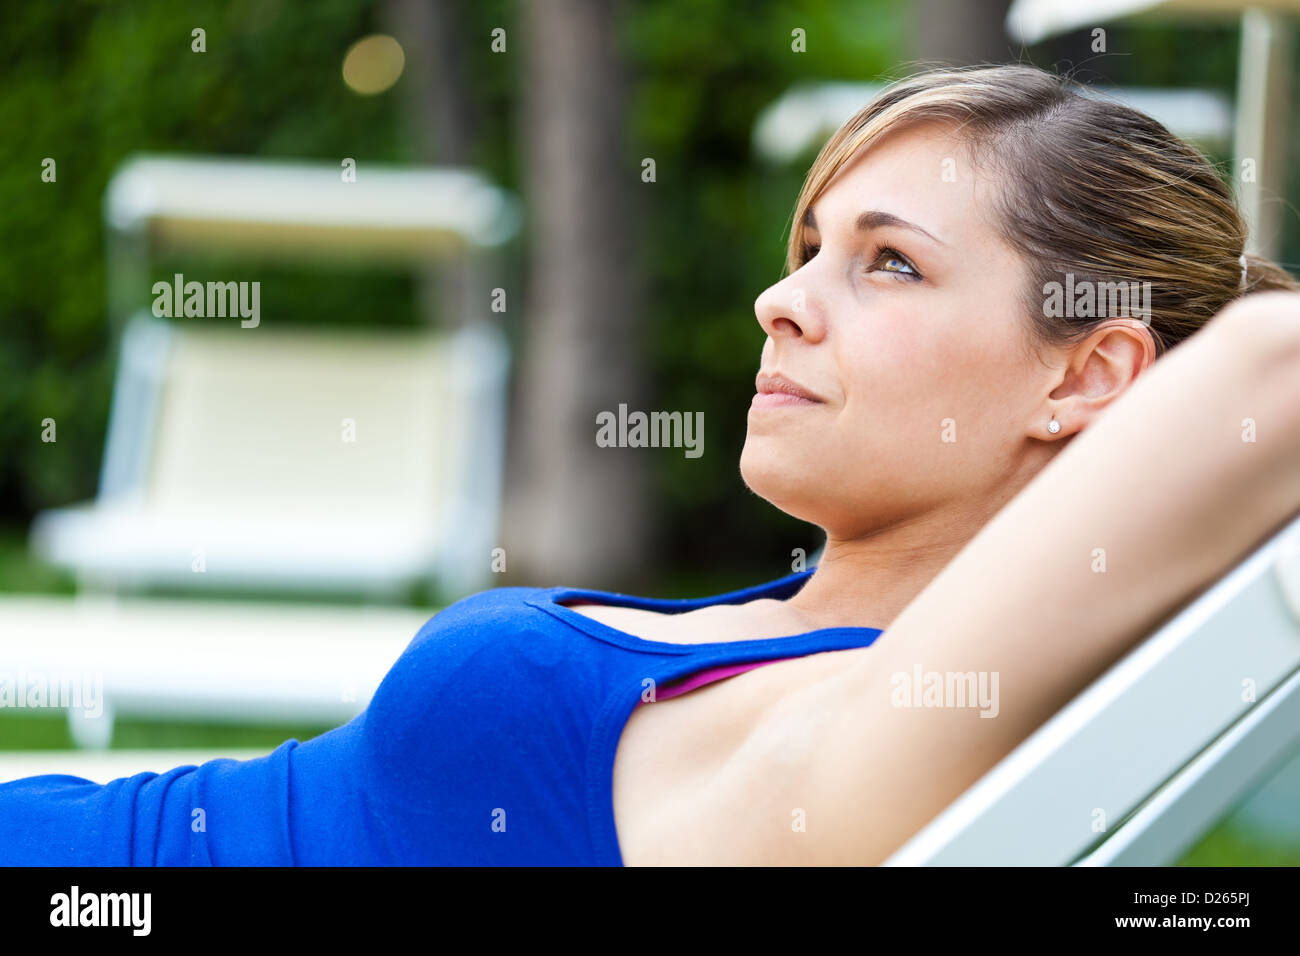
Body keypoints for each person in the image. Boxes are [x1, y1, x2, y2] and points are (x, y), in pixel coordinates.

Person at [3, 63, 1300, 866]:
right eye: (807, 247)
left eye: (888, 261)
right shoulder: (803, 662)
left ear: (1087, 374)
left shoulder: (847, 736)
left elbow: (1274, 365)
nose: (779, 302)